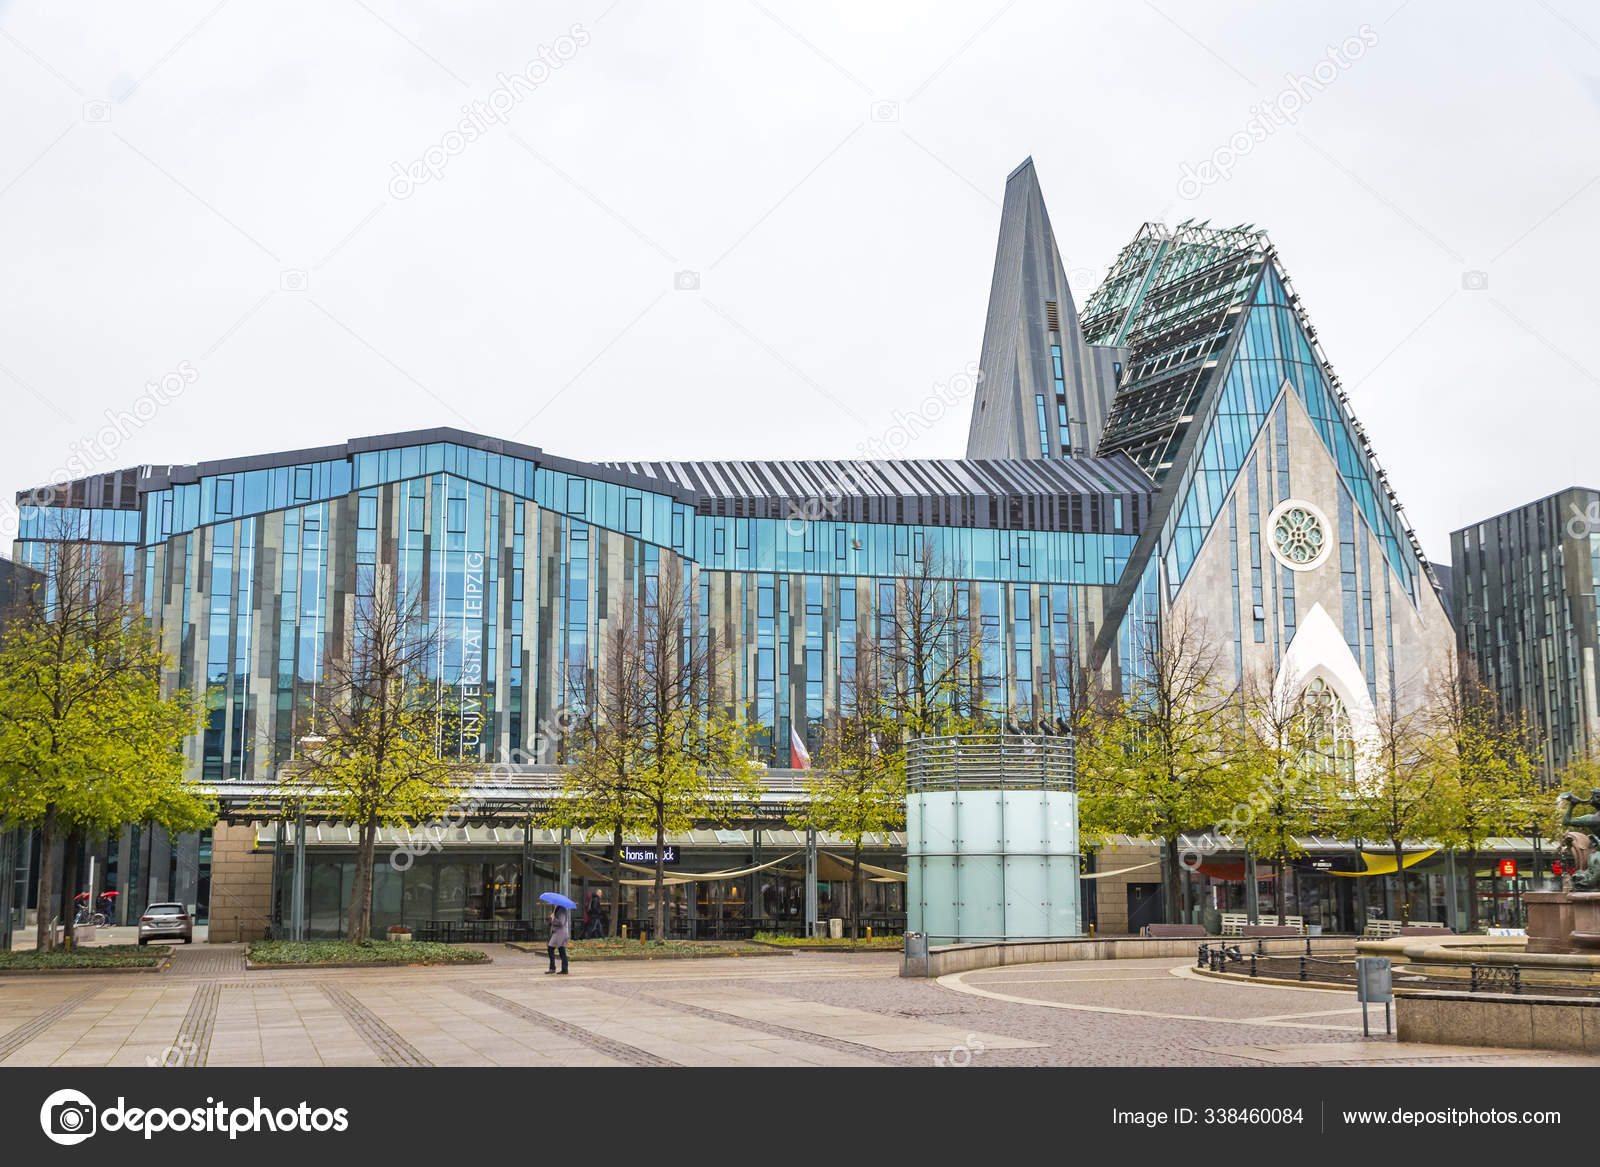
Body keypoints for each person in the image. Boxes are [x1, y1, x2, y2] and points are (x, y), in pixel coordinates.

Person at [546, 903, 570, 975]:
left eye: (554, 903)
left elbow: (561, 922)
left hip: (560, 933)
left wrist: (553, 918)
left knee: (551, 948)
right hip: (558, 933)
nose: (553, 904)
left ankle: (553, 968)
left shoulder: (562, 910)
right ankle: (564, 969)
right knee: (561, 950)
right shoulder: (557, 909)